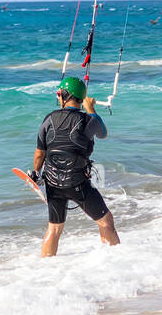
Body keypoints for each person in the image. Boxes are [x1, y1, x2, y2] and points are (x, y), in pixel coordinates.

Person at [29, 75, 119, 258]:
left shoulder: (49, 119)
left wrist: (35, 174)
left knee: (54, 229)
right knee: (105, 221)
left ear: (64, 94)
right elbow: (103, 133)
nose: (57, 97)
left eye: (59, 93)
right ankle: (115, 262)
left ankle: (43, 269)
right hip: (78, 184)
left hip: (52, 185)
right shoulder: (88, 121)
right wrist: (90, 108)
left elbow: (40, 153)